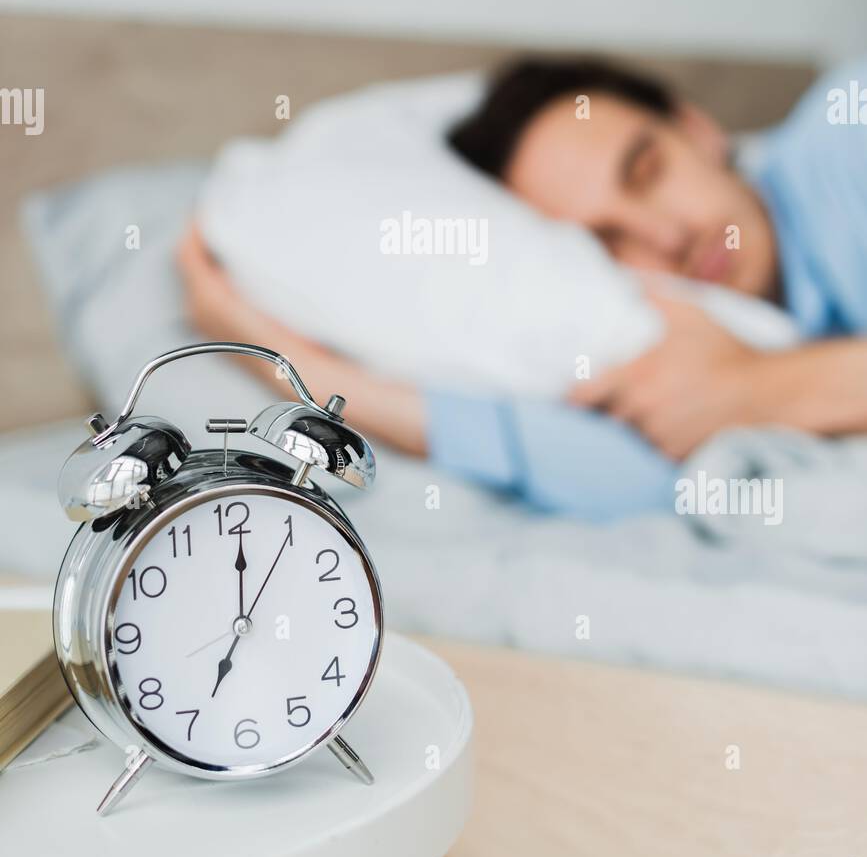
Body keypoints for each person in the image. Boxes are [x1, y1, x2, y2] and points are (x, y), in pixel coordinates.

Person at [177, 55, 867, 516]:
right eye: (605, 239)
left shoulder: (845, 142)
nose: (665, 237)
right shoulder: (674, 341)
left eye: (645, 170)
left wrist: (758, 391)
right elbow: (621, 478)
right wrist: (270, 350)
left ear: (694, 127)